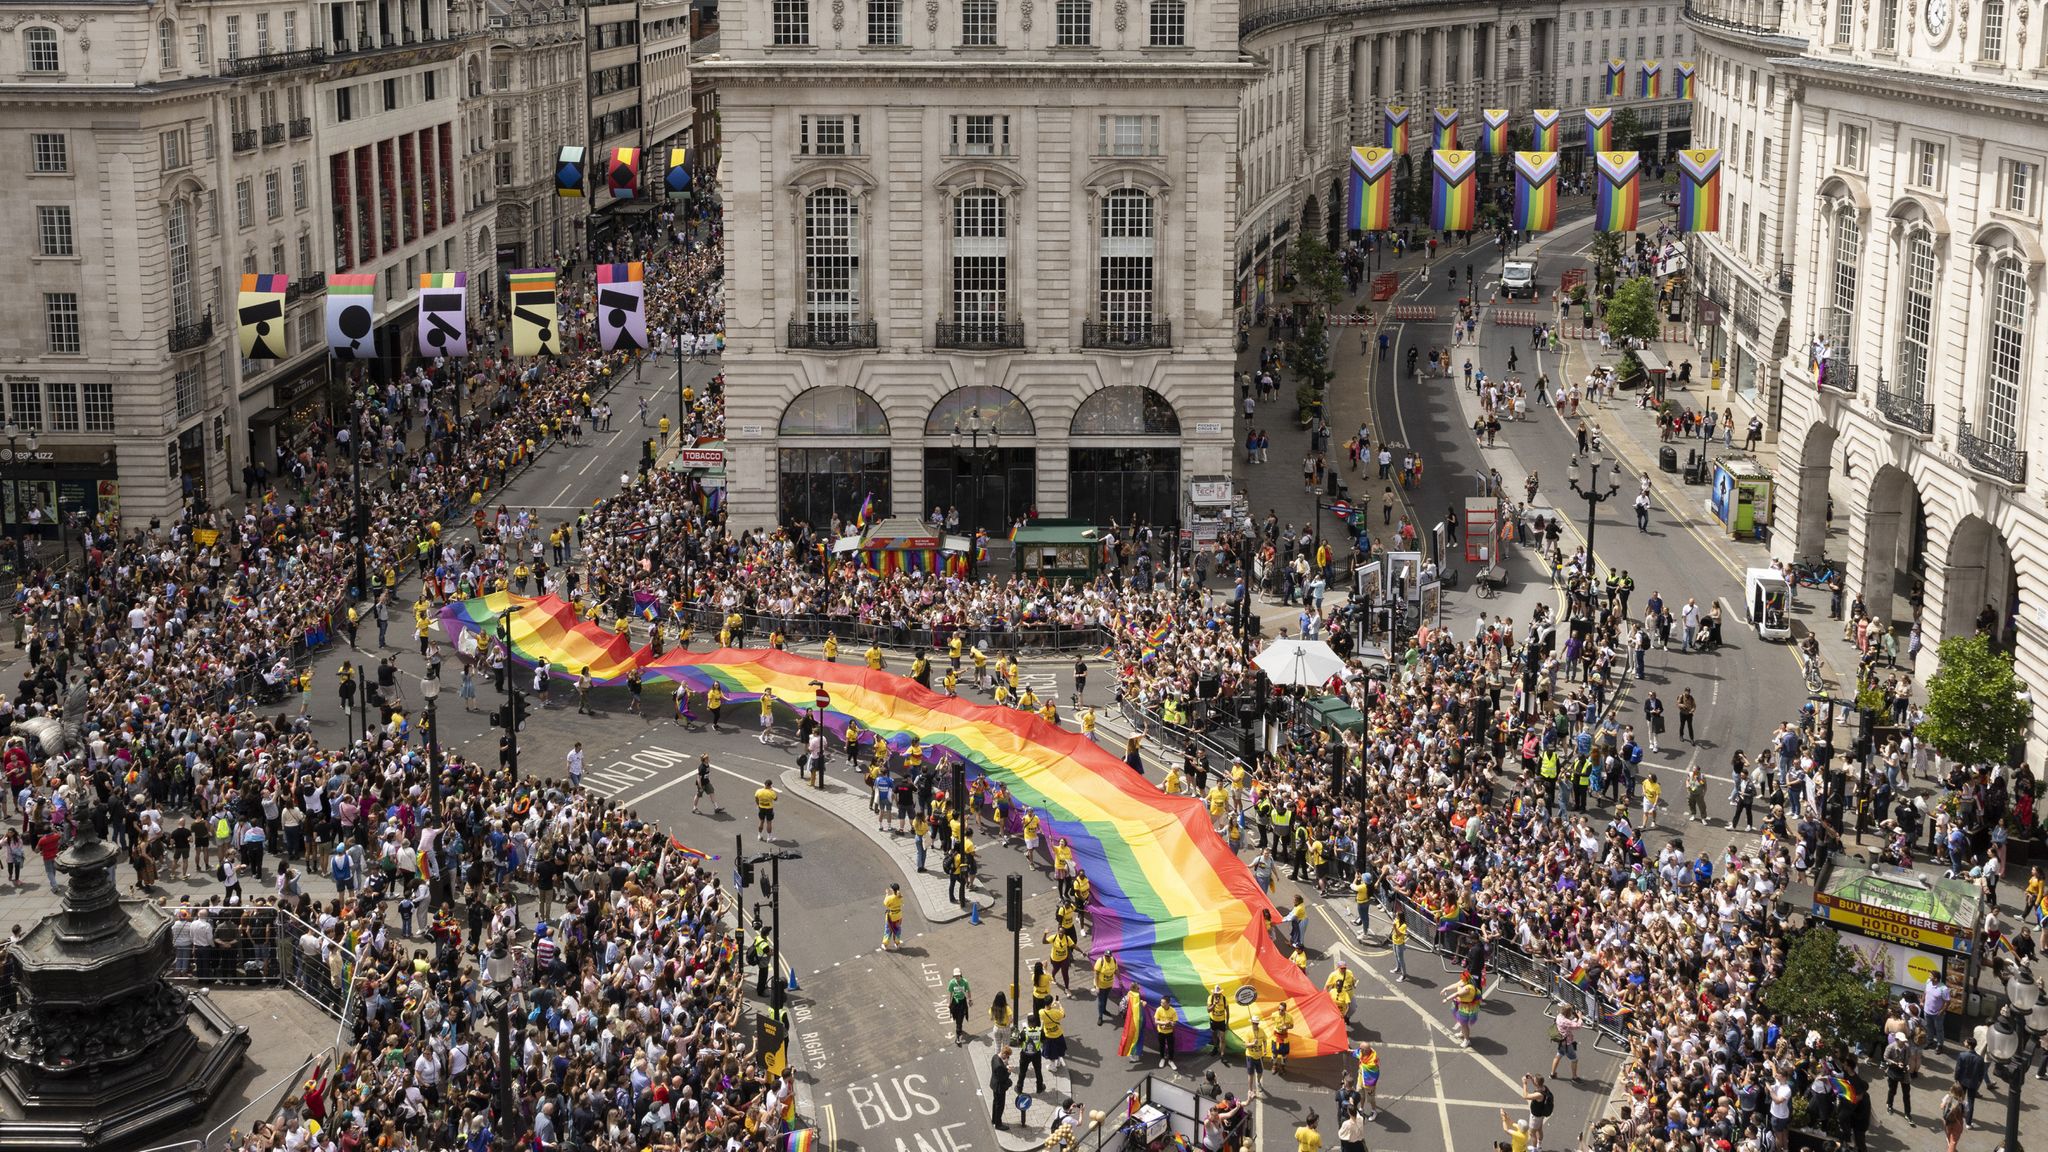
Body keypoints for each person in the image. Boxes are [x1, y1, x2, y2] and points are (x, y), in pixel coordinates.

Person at [1442, 975, 1482, 1046]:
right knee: (1462, 1022)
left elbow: (1457, 994)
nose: (1461, 981)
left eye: (1463, 980)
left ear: (1467, 981)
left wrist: (1446, 999)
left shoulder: (1467, 988)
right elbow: (1456, 984)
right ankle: (1463, 1033)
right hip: (1461, 1005)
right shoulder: (1464, 983)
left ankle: (1467, 1040)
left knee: (1464, 1024)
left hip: (1466, 1008)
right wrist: (1446, 988)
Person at [1549, 1003, 1582, 1080]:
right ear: (1568, 1013)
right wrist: (1580, 1017)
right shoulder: (1566, 1021)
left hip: (1561, 1041)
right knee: (1574, 1060)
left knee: (1559, 1055)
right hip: (1567, 1043)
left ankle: (1552, 1074)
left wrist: (1574, 1019)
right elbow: (1578, 1026)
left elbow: (1568, 1024)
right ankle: (1574, 1077)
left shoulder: (1559, 1016)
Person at [988, 1045, 1013, 1130]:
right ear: (1004, 1054)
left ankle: (994, 1120)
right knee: (1000, 1105)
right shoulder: (999, 1065)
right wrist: (1008, 1071)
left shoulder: (995, 1057)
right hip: (999, 1087)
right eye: (1007, 1056)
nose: (1007, 1058)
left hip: (994, 1084)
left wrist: (1005, 1066)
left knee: (995, 1103)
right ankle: (998, 1124)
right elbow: (1002, 1078)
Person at [949, 968, 973, 1044]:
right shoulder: (952, 983)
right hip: (955, 1002)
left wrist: (969, 999)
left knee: (960, 1020)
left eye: (958, 976)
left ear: (960, 975)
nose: (957, 977)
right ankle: (959, 1027)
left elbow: (968, 991)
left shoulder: (965, 982)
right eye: (955, 976)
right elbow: (951, 993)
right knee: (955, 1017)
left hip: (962, 1002)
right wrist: (949, 1003)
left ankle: (958, 1036)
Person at [882, 883, 904, 950]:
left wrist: (887, 894)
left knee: (888, 930)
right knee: (897, 929)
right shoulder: (900, 896)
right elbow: (901, 903)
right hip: (899, 916)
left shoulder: (890, 898)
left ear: (892, 889)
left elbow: (885, 903)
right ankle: (897, 943)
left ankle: (885, 944)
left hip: (891, 917)